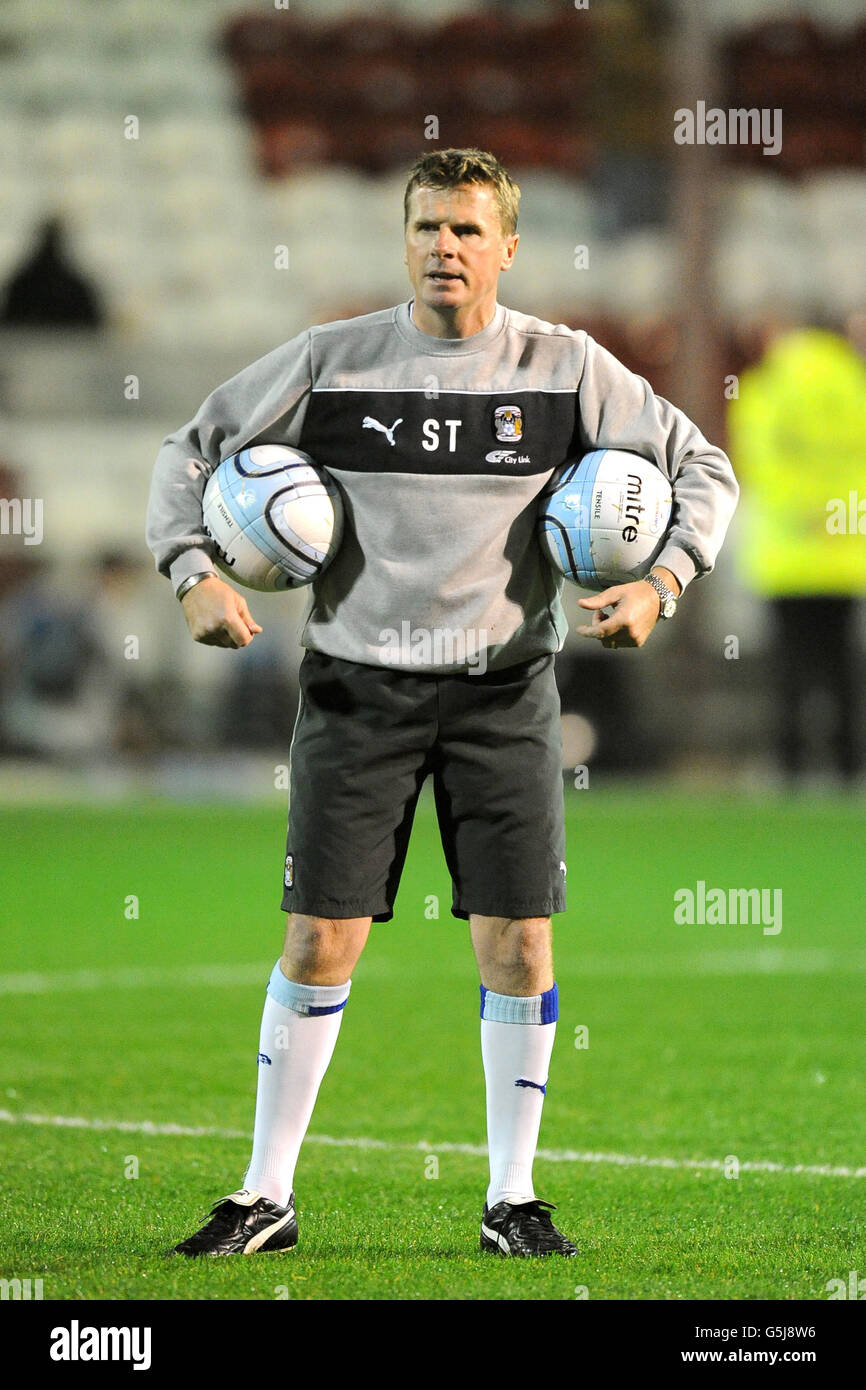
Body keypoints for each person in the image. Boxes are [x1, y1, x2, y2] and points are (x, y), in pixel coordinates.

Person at [146, 148, 738, 1259]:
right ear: (402, 239)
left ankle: (510, 1198)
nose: (443, 248)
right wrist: (192, 571)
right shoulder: (332, 361)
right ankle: (262, 1195)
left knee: (517, 943)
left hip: (503, 692)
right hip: (353, 691)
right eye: (425, 227)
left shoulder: (565, 369)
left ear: (507, 247)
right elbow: (188, 450)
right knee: (320, 938)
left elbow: (703, 466)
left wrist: (660, 581)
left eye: (467, 231)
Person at [728, 320, 866, 784]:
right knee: (844, 663)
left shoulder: (765, 389)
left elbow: (755, 462)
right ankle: (849, 767)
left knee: (789, 667)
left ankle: (790, 766)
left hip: (785, 553)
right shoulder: (856, 384)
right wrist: (834, 516)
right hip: (847, 548)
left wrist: (802, 513)